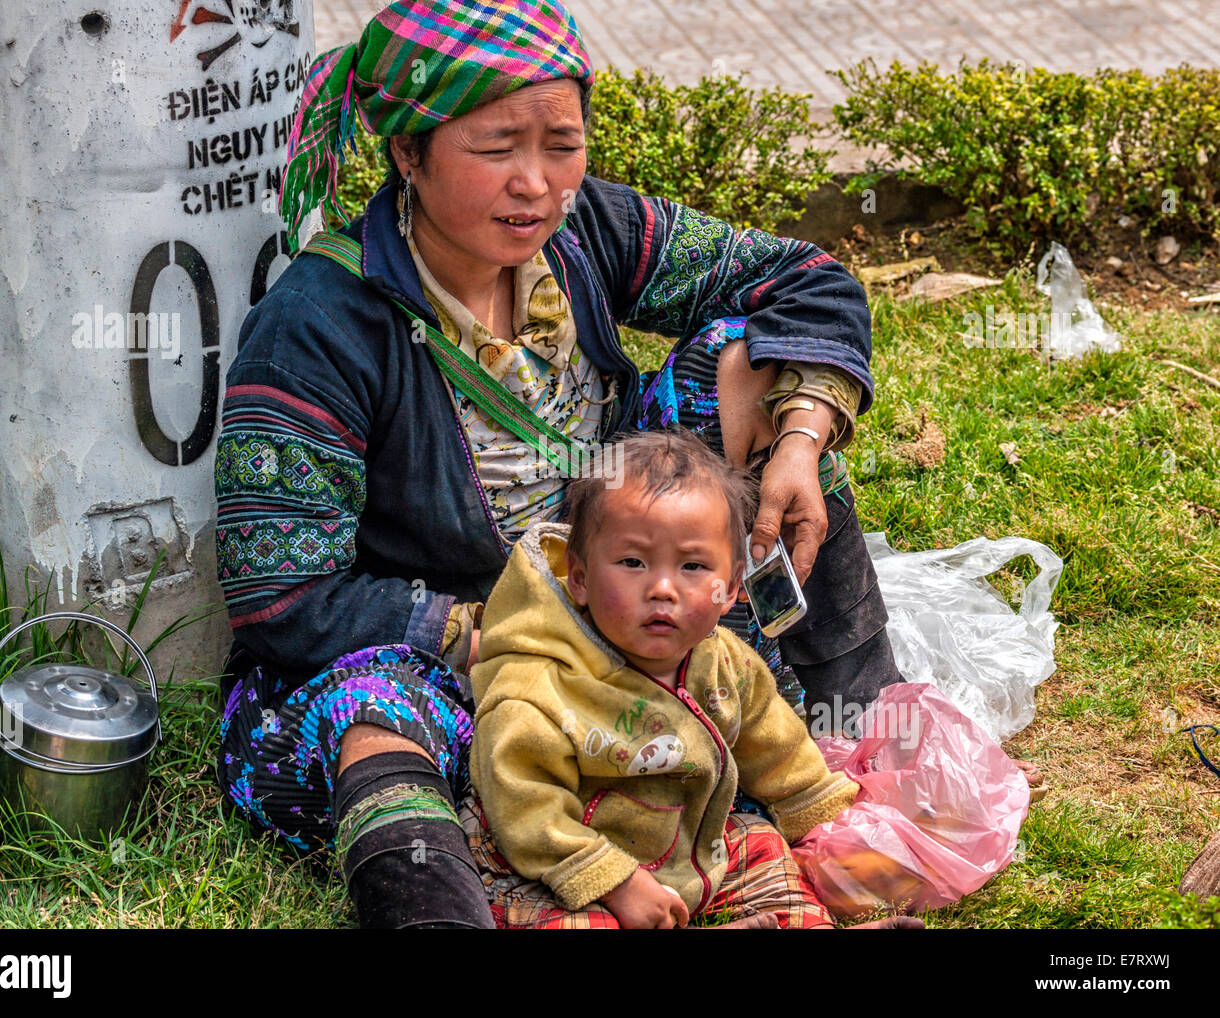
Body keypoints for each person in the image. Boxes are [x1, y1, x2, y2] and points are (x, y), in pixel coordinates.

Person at [214, 0, 911, 929]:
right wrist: (511, 639)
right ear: (408, 154)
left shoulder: (586, 236)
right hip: (455, 645)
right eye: (497, 146)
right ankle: (433, 906)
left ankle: (859, 725)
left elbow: (806, 279)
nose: (535, 184)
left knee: (755, 367)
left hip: (616, 578)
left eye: (562, 144)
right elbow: (281, 594)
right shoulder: (317, 327)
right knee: (368, 716)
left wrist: (798, 441)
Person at [463, 430, 860, 929]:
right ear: (580, 578)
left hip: (690, 845)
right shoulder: (538, 688)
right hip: (554, 868)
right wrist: (616, 882)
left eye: (693, 566)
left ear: (733, 586)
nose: (663, 589)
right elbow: (524, 808)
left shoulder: (724, 664)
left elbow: (774, 744)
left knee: (766, 852)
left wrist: (825, 815)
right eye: (633, 563)